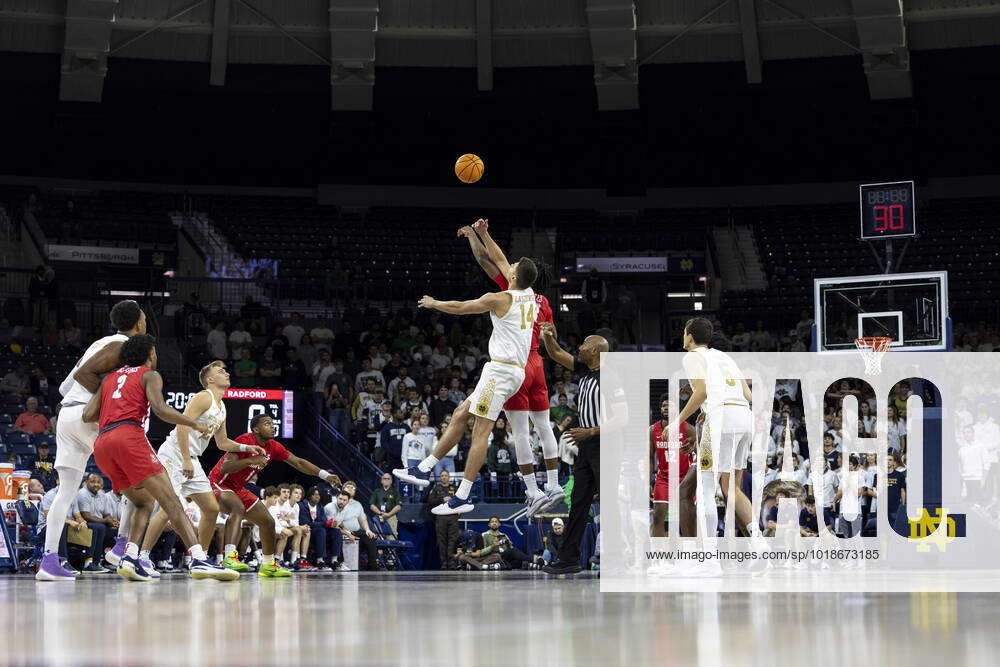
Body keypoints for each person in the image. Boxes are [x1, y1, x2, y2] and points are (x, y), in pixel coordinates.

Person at [79, 333, 236, 582]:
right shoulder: (149, 374)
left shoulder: (109, 378)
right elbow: (162, 410)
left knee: (144, 503)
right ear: (150, 354)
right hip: (128, 436)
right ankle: (198, 559)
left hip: (103, 444)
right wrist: (192, 424)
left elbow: (88, 414)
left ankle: (130, 557)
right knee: (171, 501)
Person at [396, 245, 539, 516]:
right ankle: (424, 468)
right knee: (461, 413)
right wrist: (479, 234)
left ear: (513, 276)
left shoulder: (501, 299)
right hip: (504, 370)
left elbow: (462, 308)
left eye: (513, 266)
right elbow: (499, 259)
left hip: (501, 373)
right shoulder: (529, 293)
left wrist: (434, 303)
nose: (508, 265)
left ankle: (462, 495)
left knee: (480, 433)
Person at [36, 300, 146, 582]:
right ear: (139, 322)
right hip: (90, 415)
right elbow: (89, 379)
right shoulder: (124, 346)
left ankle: (48, 561)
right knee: (138, 480)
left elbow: (64, 386)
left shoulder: (98, 344)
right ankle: (120, 548)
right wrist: (111, 397)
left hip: (68, 415)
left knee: (65, 492)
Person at [461, 219, 564, 515]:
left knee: (520, 431)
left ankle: (533, 491)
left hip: (515, 365)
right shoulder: (542, 300)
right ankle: (555, 485)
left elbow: (489, 259)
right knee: (544, 426)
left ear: (516, 276)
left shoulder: (510, 292)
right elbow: (550, 337)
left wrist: (477, 235)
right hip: (537, 361)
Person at [136, 360, 266, 576]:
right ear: (210, 379)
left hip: (192, 458)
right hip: (175, 454)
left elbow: (222, 443)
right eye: (220, 371)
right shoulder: (203, 396)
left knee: (212, 508)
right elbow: (181, 426)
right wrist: (186, 459)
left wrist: (247, 446)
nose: (226, 373)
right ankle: (143, 557)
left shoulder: (221, 406)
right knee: (170, 507)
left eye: (225, 370)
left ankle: (200, 559)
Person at [665, 318, 755, 576]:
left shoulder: (692, 356)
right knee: (732, 488)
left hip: (721, 421)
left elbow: (702, 390)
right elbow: (749, 396)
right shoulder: (724, 357)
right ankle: (759, 546)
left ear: (690, 337)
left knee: (705, 489)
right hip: (743, 418)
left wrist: (677, 421)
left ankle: (708, 560)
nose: (683, 337)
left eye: (684, 333)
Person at [210, 414, 341, 578]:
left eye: (272, 423)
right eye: (267, 424)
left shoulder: (273, 447)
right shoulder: (245, 439)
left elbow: (298, 462)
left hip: (238, 488)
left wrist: (325, 475)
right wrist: (252, 460)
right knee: (237, 507)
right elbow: (225, 468)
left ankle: (268, 564)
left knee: (268, 522)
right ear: (256, 429)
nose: (272, 426)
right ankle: (229, 558)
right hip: (218, 482)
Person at [539, 326, 620, 575]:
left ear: (595, 350)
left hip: (606, 443)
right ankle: (569, 559)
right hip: (586, 446)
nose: (580, 347)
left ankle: (617, 560)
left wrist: (591, 431)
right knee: (578, 503)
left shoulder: (611, 377)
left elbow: (623, 418)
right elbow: (556, 354)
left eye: (584, 344)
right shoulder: (586, 369)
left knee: (610, 503)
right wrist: (548, 337)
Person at [650, 395, 695, 538]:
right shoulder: (652, 430)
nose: (667, 408)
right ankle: (658, 555)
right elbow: (649, 458)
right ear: (660, 409)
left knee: (687, 518)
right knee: (657, 516)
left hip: (685, 478)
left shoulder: (687, 428)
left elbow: (698, 452)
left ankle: (691, 550)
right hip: (663, 478)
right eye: (664, 406)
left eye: (671, 406)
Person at [324, 489, 378, 571]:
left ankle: (372, 566)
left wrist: (348, 532)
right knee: (338, 533)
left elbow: (339, 524)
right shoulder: (329, 507)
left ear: (348, 501)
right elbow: (333, 525)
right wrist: (348, 534)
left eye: (344, 500)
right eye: (340, 499)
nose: (342, 501)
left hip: (340, 530)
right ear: (337, 498)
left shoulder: (345, 508)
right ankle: (338, 562)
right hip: (329, 531)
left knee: (370, 537)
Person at [75, 473, 116, 572]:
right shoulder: (82, 494)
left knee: (115, 530)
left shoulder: (102, 494)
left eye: (98, 482)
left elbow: (107, 514)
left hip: (98, 523)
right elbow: (86, 516)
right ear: (86, 482)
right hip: (82, 523)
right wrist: (105, 521)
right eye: (93, 482)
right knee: (99, 527)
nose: (96, 484)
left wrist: (112, 522)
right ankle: (89, 563)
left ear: (102, 485)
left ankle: (108, 561)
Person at [427, 470, 459, 568]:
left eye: (446, 475)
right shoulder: (436, 489)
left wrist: (457, 515)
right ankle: (444, 563)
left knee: (452, 540)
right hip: (441, 517)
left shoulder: (454, 488)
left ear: (449, 477)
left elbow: (460, 501)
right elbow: (430, 502)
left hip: (452, 517)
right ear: (440, 477)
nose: (444, 477)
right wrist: (442, 500)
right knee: (441, 541)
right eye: (442, 476)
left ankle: (452, 562)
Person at [299, 486, 333, 568]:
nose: (318, 497)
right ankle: (320, 560)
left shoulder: (320, 507)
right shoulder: (302, 505)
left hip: (317, 531)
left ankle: (335, 560)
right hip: (306, 530)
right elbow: (306, 523)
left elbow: (324, 520)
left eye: (319, 495)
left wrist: (326, 523)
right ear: (310, 496)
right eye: (315, 495)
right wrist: (324, 524)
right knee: (321, 530)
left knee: (336, 532)